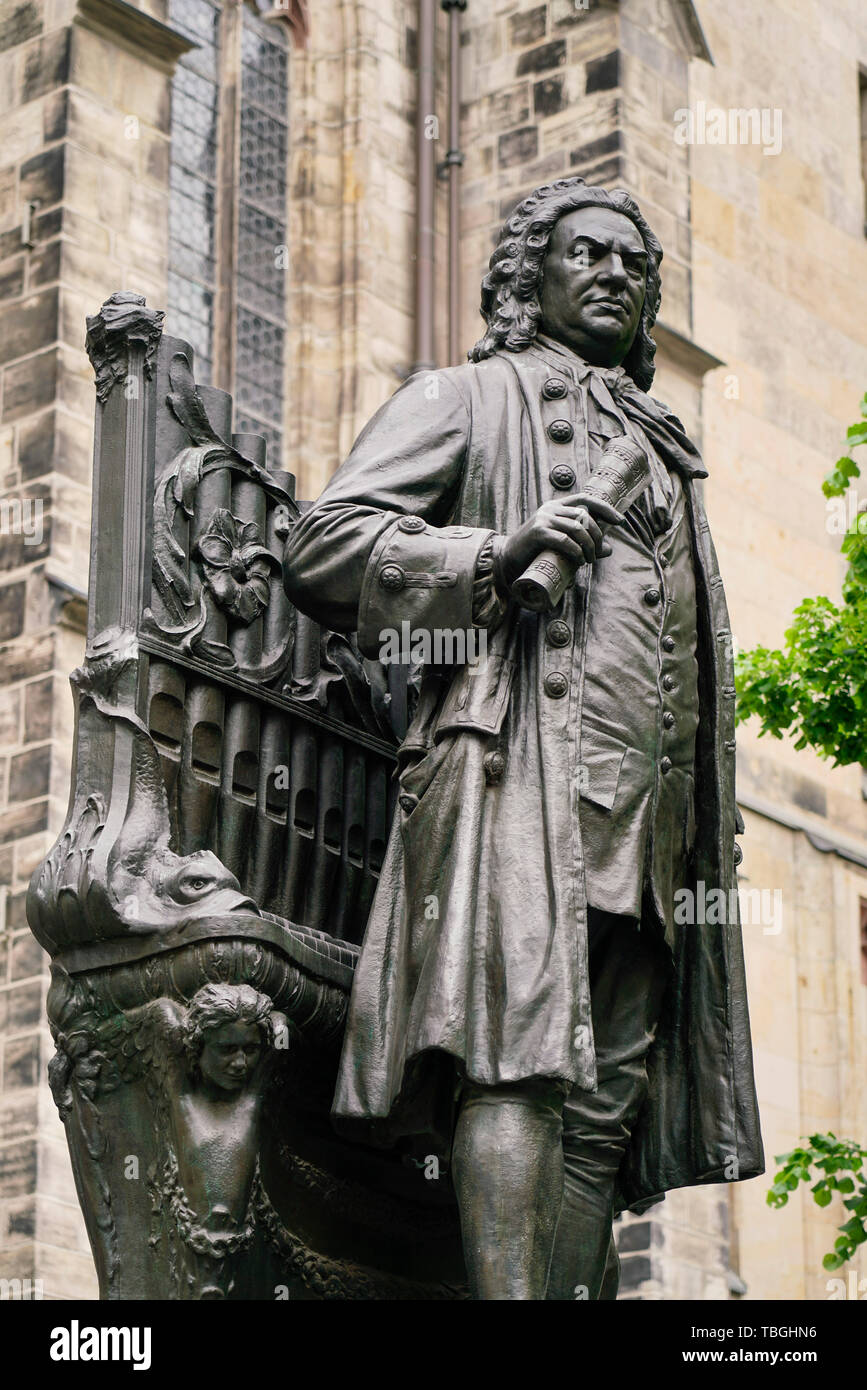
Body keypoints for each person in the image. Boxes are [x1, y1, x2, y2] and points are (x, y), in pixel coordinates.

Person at [283, 175, 763, 1300]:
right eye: (586, 254)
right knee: (519, 1058)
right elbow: (325, 546)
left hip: (653, 822)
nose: (615, 274)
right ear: (528, 278)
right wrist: (492, 554)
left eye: (634, 265)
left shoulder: (666, 448)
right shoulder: (465, 396)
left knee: (607, 1097)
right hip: (517, 777)